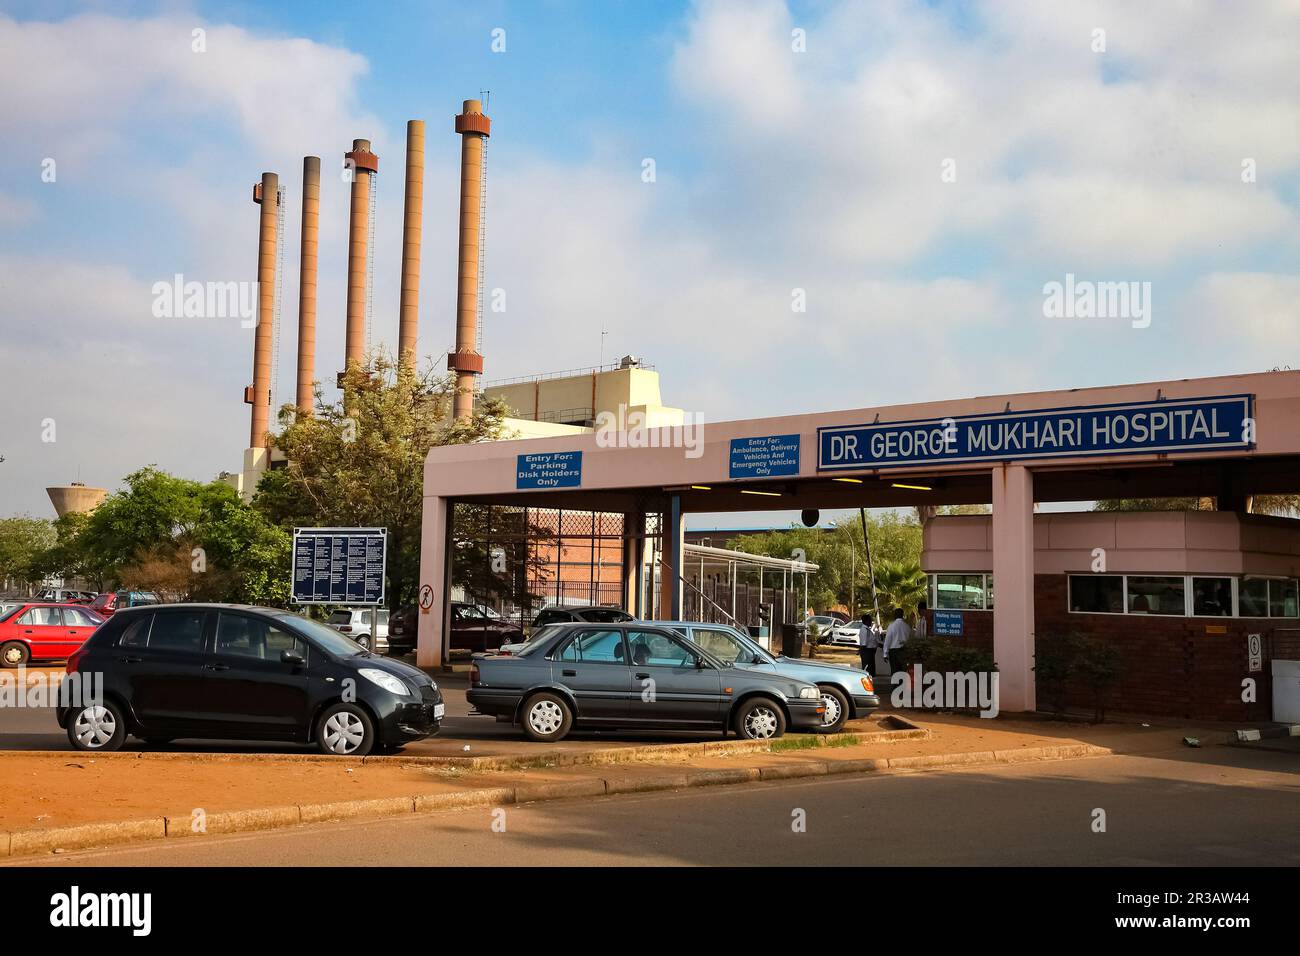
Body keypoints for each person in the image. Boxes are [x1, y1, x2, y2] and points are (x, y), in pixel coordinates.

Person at [883, 607, 912, 678]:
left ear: (895, 615)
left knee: (895, 671)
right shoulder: (907, 627)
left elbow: (887, 640)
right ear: (902, 615)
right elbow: (910, 640)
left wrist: (885, 654)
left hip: (894, 652)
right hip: (904, 651)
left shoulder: (891, 626)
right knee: (903, 672)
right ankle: (903, 688)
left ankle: (896, 688)